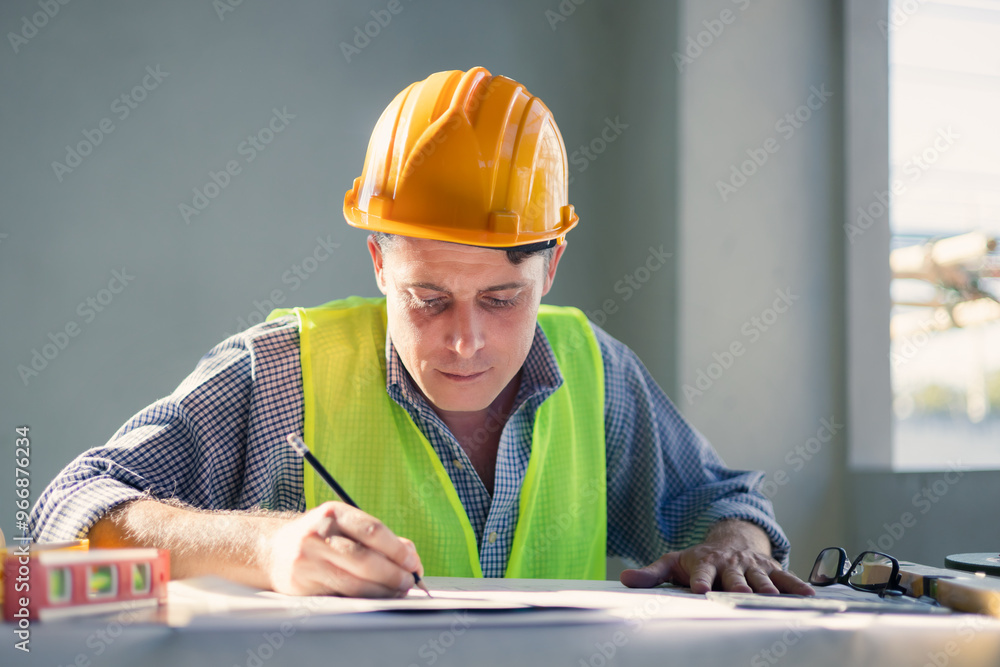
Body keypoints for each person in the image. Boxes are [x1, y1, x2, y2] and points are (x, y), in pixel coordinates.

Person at [31, 66, 814, 599]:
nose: (465, 341)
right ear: (377, 259)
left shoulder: (599, 374)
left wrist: (735, 542)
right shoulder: (278, 374)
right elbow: (69, 507)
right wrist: (264, 547)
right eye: (429, 299)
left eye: (503, 299)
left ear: (553, 266)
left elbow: (726, 501)